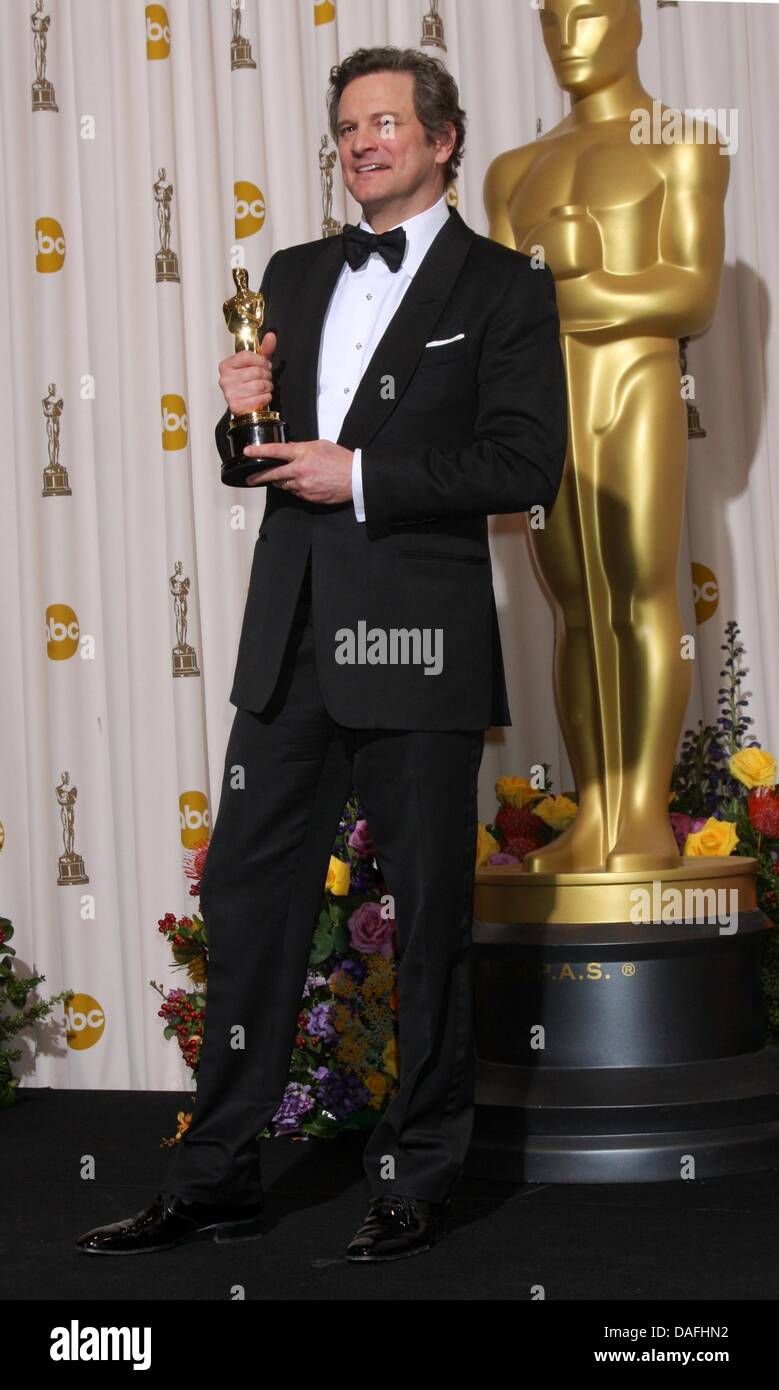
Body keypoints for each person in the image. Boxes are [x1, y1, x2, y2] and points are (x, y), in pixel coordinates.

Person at [75, 44, 568, 1263]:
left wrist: (365, 475)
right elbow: (258, 461)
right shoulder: (292, 274)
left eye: (387, 122)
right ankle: (217, 1175)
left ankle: (417, 1174)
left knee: (427, 920)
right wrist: (240, 413)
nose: (363, 141)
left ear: (442, 139)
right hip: (290, 637)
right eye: (348, 125)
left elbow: (523, 463)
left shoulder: (503, 286)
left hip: (417, 639)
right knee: (246, 908)